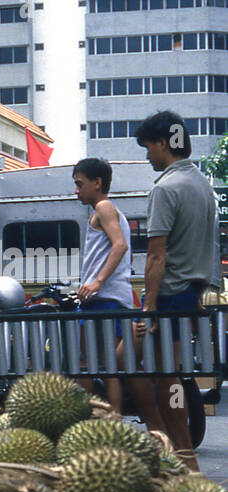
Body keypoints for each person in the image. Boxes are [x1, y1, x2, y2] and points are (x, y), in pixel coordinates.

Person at [133, 109, 222, 468]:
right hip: (192, 295)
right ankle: (171, 448)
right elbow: (211, 246)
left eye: (147, 147)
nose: (147, 155)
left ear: (161, 143)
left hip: (168, 296)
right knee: (151, 368)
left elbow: (156, 256)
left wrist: (149, 306)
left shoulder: (166, 188)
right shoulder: (203, 186)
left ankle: (182, 457)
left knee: (166, 377)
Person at [71, 157, 155, 418]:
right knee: (106, 366)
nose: (76, 190)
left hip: (103, 299)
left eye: (79, 184)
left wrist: (96, 282)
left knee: (85, 364)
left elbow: (119, 245)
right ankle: (112, 416)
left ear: (97, 183)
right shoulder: (107, 210)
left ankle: (95, 417)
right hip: (108, 298)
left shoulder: (104, 207)